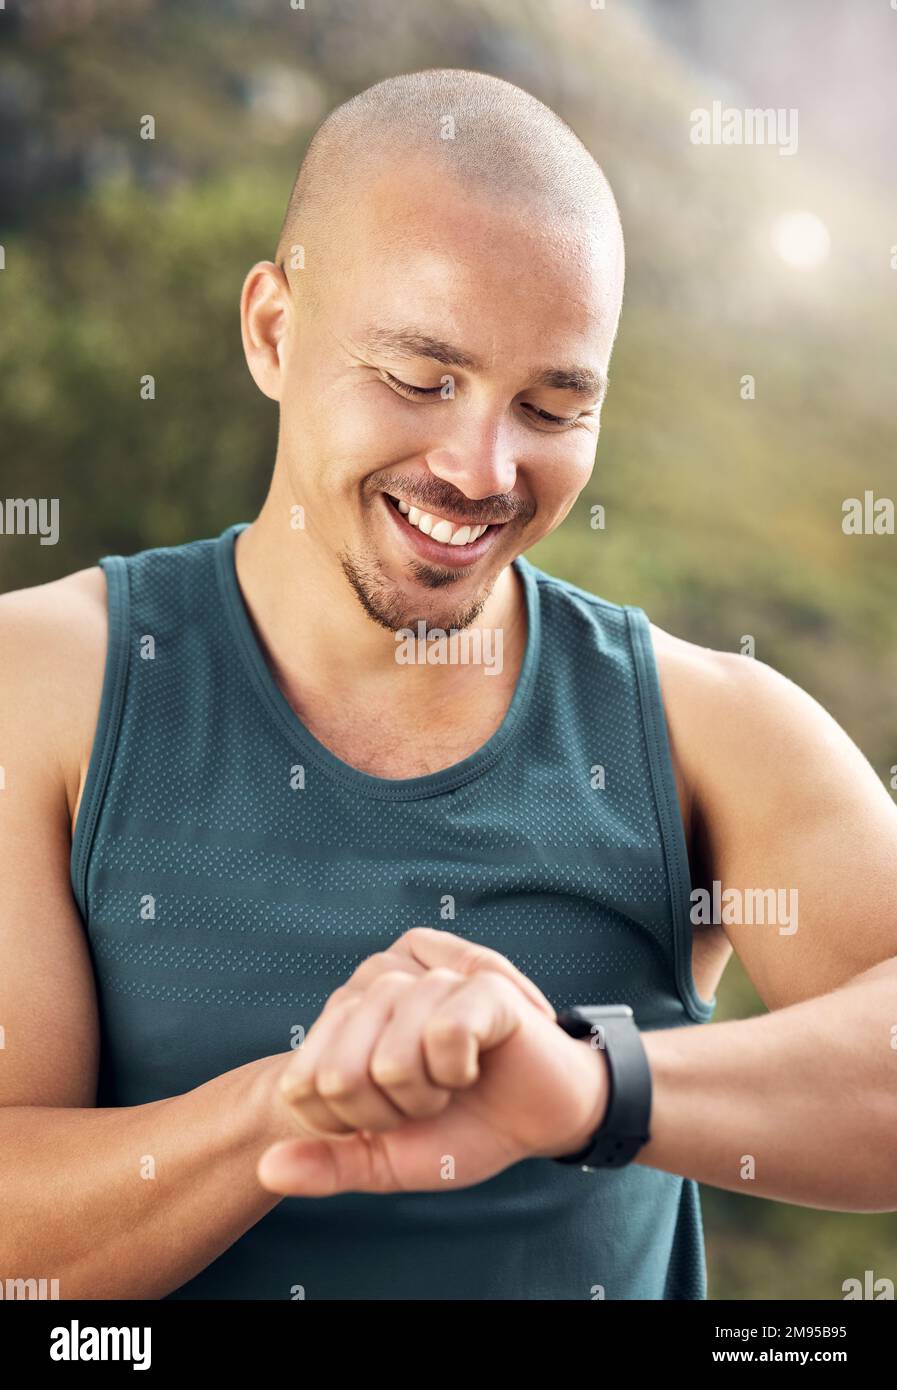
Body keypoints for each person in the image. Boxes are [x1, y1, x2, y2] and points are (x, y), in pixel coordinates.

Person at [1, 69, 895, 1303]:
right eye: (422, 378)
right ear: (272, 330)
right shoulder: (41, 684)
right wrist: (288, 1108)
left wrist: (585, 1083)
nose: (483, 468)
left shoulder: (707, 725)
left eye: (551, 406)